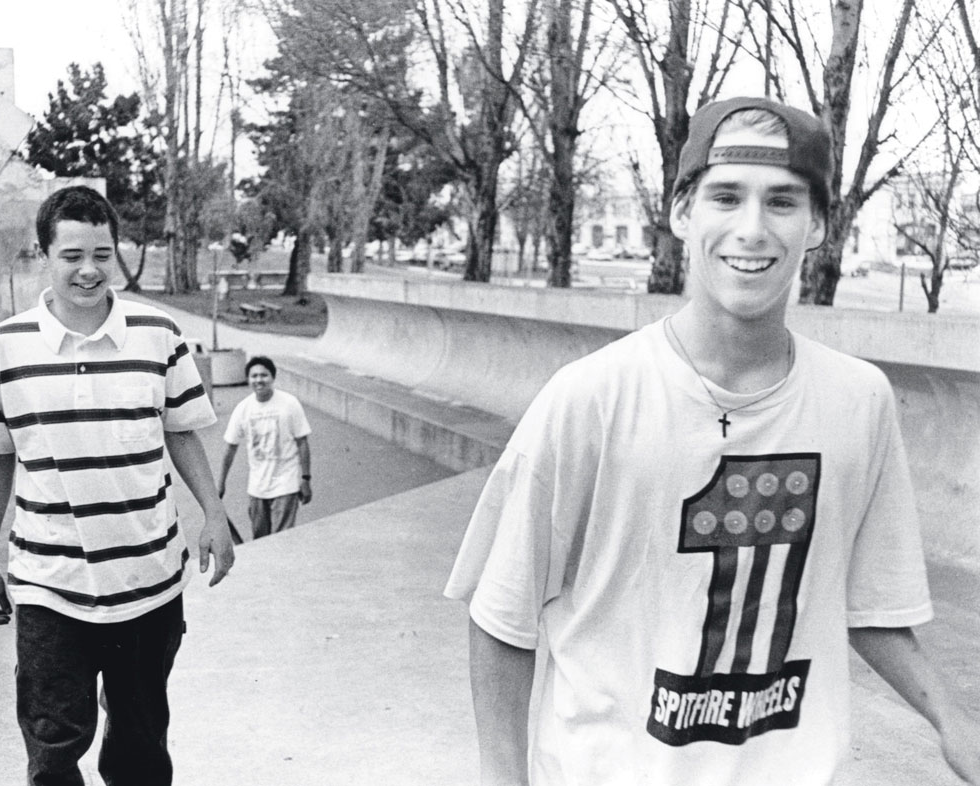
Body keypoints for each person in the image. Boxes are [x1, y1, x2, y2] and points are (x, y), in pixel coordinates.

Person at [444, 96, 980, 785]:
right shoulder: (590, 399)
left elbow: (868, 605)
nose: (752, 230)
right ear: (680, 213)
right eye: (725, 197)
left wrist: (953, 720)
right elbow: (501, 615)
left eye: (783, 202)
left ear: (818, 224)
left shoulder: (860, 401)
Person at [0, 185, 235, 786]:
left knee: (141, 749)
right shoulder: (4, 348)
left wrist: (214, 517)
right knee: (53, 748)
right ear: (43, 254)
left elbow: (183, 434)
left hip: (148, 581)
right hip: (49, 585)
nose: (89, 270)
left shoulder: (159, 333)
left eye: (101, 253)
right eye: (71, 255)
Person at [217, 355, 312, 540]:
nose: (259, 380)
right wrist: (220, 484)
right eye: (254, 376)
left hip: (286, 485)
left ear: (273, 377)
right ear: (248, 379)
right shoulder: (243, 408)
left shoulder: (289, 404)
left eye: (264, 375)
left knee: (282, 540)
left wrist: (306, 479)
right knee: (260, 541)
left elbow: (303, 443)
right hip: (257, 488)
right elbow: (230, 448)